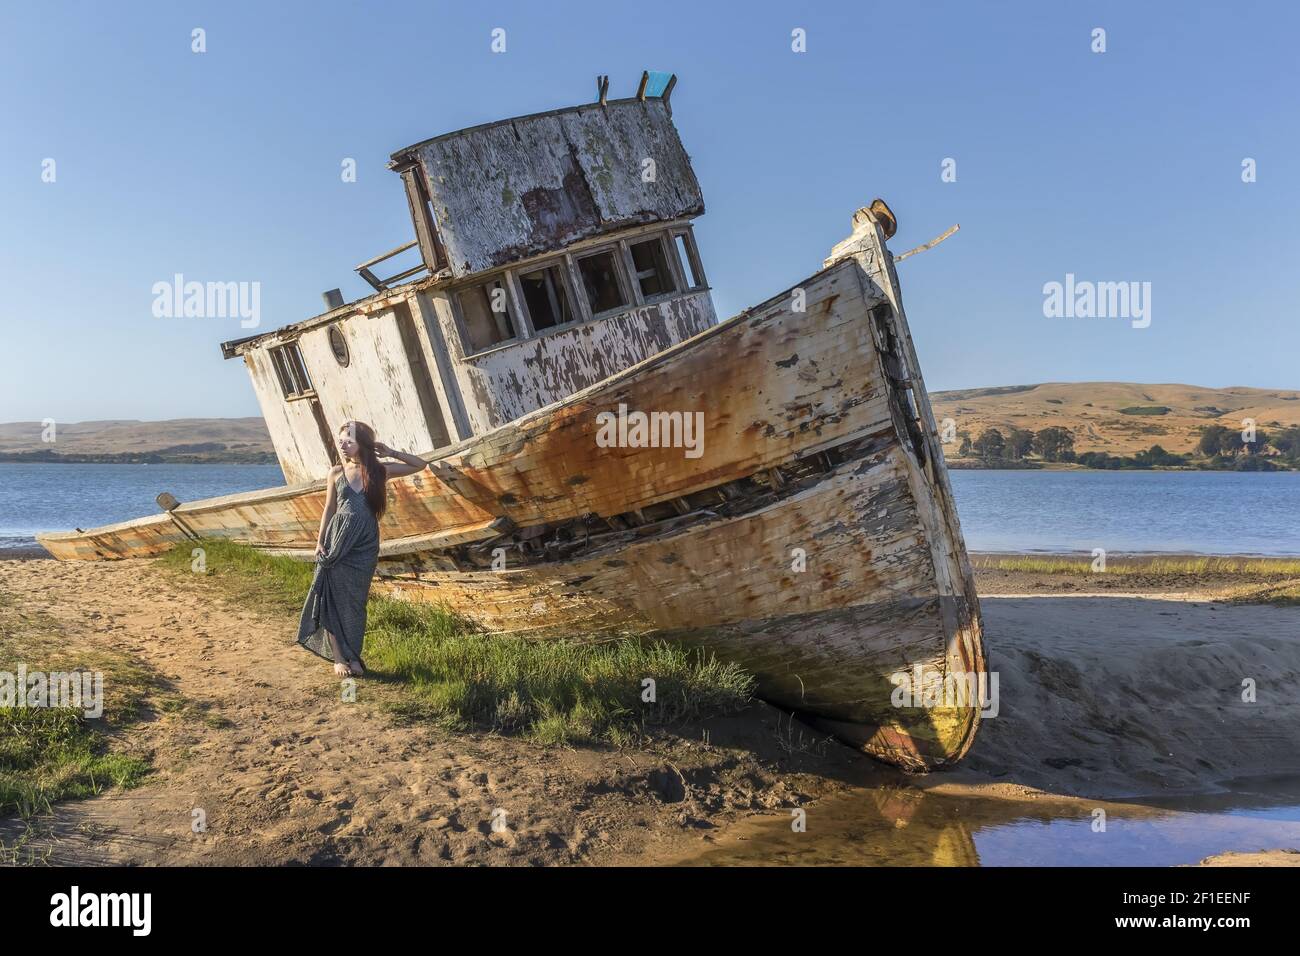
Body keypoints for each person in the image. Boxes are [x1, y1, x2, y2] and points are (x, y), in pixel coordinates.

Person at [297, 420, 428, 676]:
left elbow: (419, 465)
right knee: (332, 597)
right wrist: (319, 541)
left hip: (364, 545)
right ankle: (338, 658)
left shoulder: (380, 471)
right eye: (341, 440)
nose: (343, 445)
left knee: (355, 602)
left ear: (362, 444)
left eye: (349, 441)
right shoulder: (336, 473)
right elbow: (330, 509)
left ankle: (353, 656)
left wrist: (390, 452)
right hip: (337, 541)